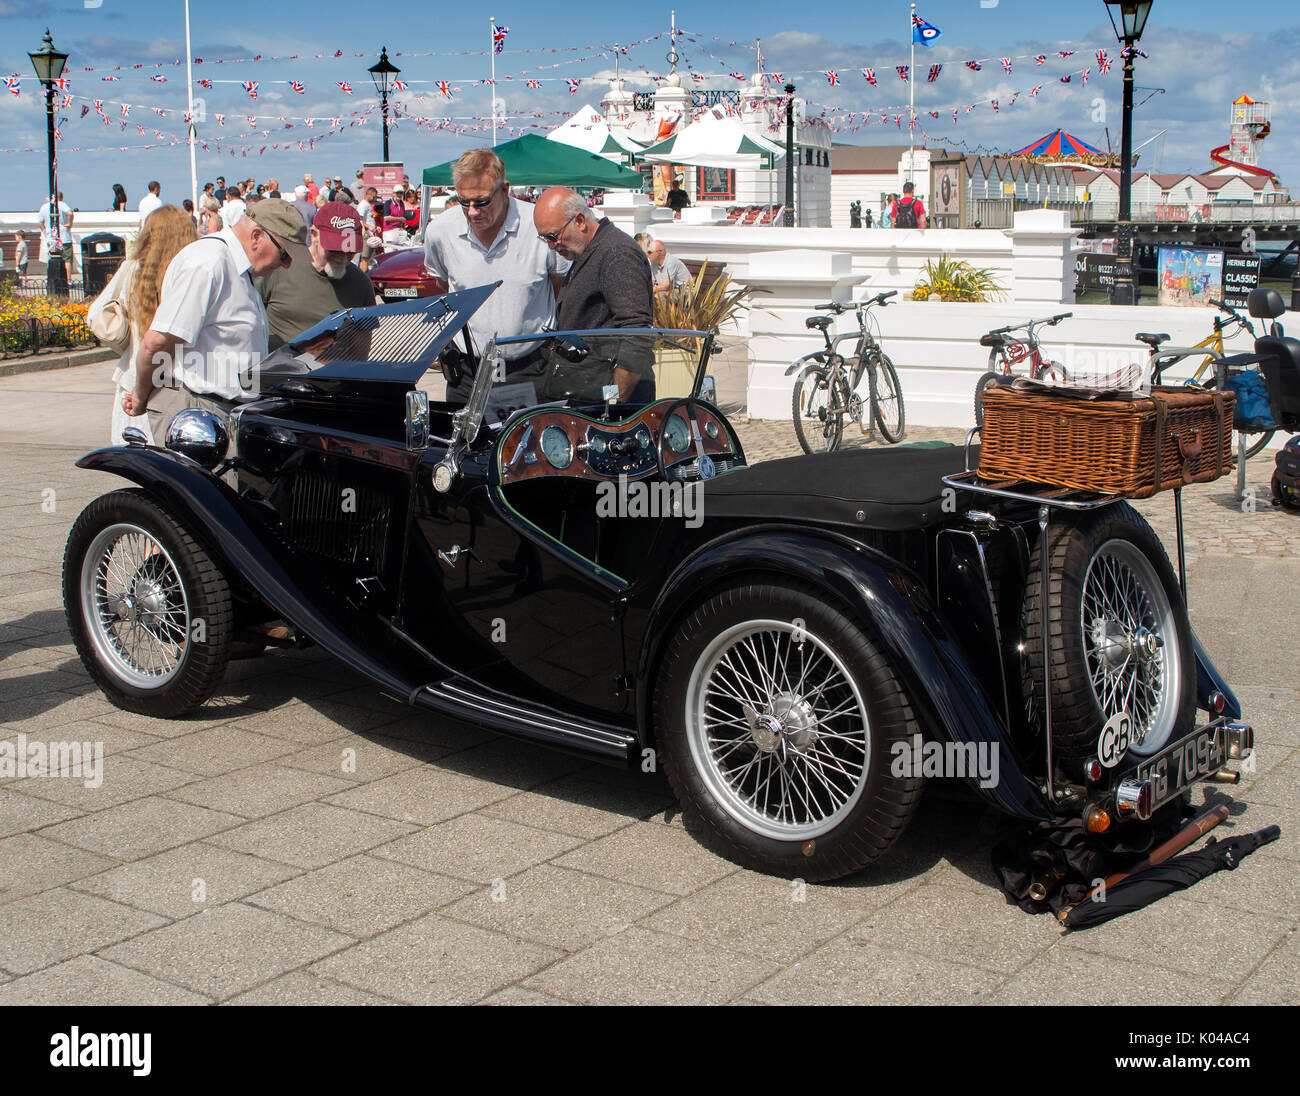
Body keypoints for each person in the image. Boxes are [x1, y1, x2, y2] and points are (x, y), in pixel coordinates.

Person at [121, 196, 293, 440]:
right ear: (256, 237)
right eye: (284, 254)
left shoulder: (236, 267)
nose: (286, 264)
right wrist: (140, 395)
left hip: (219, 411)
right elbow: (157, 343)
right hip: (198, 414)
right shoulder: (208, 262)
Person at [423, 149, 571, 402]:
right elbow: (444, 285)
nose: (472, 212)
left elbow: (560, 288)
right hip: (467, 370)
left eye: (481, 202)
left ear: (505, 190)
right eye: (463, 202)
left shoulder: (539, 225)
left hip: (531, 367)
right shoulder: (439, 231)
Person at [88, 204, 197, 445]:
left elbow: (96, 314)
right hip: (178, 385)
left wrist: (127, 346)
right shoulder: (191, 270)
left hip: (134, 380)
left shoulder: (134, 267)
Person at [533, 186, 653, 400]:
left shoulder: (616, 253)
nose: (551, 246)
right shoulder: (591, 251)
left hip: (612, 401)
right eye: (546, 239)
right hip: (591, 391)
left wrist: (614, 400)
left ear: (579, 221)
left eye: (553, 236)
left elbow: (637, 332)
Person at [256, 200, 374, 351]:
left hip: (333, 373)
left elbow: (362, 344)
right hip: (279, 371)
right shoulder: (279, 268)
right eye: (335, 249)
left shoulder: (361, 283)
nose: (343, 257)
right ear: (313, 235)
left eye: (350, 251)